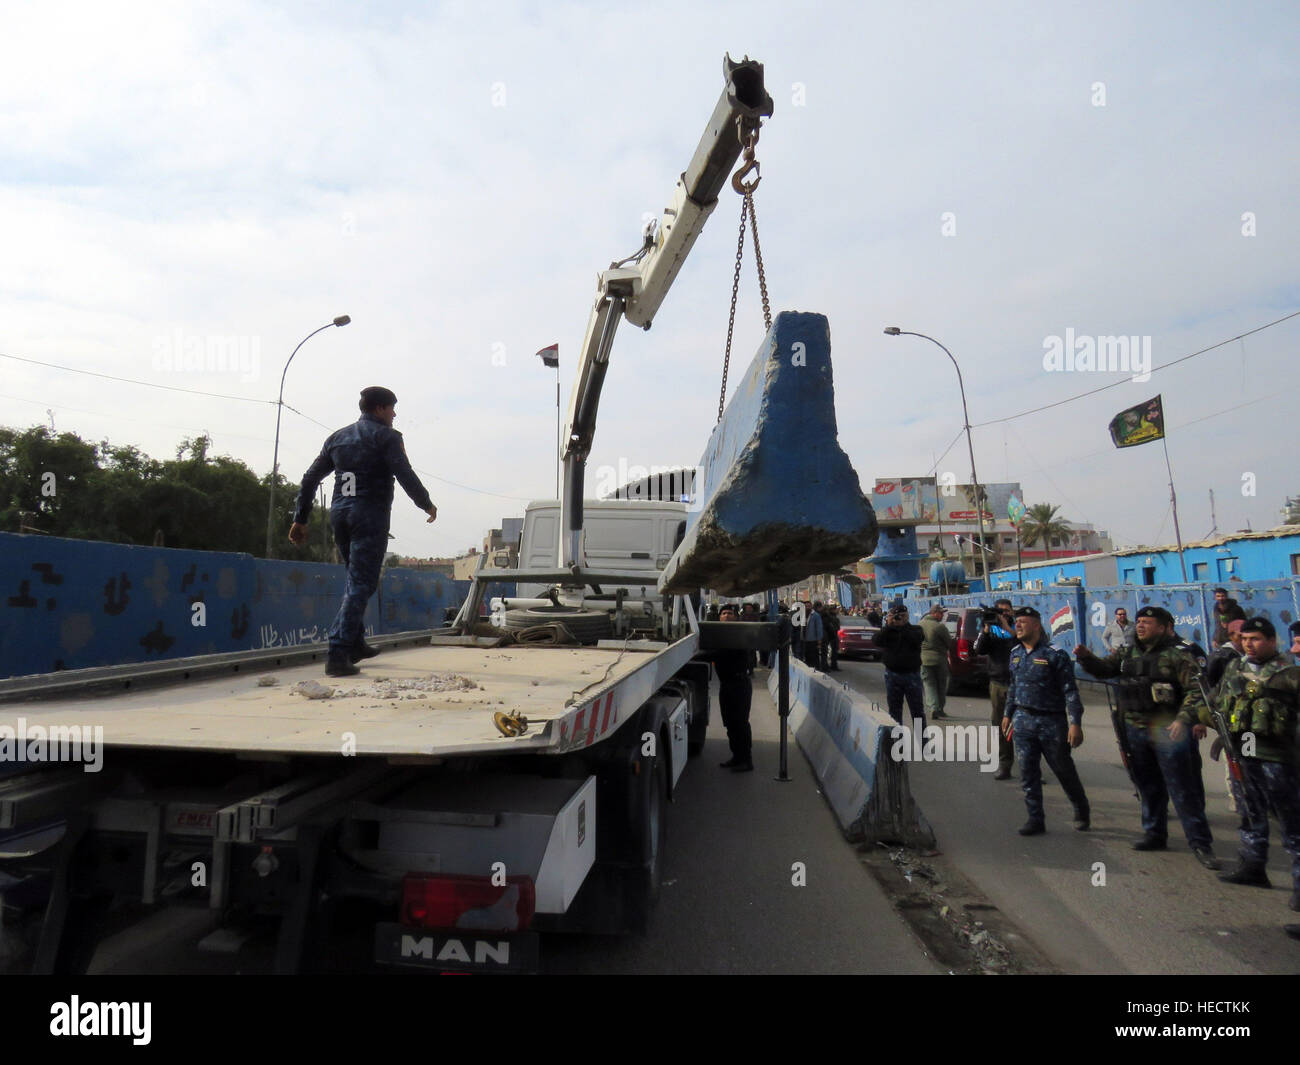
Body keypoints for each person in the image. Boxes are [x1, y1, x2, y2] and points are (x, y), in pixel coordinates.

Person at [290, 386, 436, 676]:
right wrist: (426, 503)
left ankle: (355, 643)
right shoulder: (387, 437)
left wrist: (300, 518)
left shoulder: (337, 438)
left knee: (355, 580)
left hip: (340, 515)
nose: (395, 414)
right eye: (392, 408)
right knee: (362, 583)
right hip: (369, 515)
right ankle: (338, 651)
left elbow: (310, 479)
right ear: (380, 409)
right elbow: (403, 472)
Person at [1075, 606, 1218, 868]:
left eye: (1148, 622)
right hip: (1135, 728)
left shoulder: (1178, 655)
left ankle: (1200, 843)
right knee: (1147, 785)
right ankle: (1154, 833)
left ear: (1163, 627)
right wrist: (1086, 657)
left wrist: (1183, 719)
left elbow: (1196, 691)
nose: (1140, 626)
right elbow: (1105, 670)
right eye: (1139, 621)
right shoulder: (1127, 652)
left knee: (1183, 788)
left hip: (1168, 731)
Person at [1205, 617, 1300, 908]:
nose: (1249, 644)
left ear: (1272, 641)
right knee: (1250, 810)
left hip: (1279, 756)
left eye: (1256, 639)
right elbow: (1218, 701)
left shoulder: (1289, 672)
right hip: (1245, 748)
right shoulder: (1237, 667)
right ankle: (1253, 866)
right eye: (1245, 639)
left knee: (1292, 824)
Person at [1003, 606, 1090, 835]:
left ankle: (1081, 808)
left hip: (1051, 722)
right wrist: (1007, 713)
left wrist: (1075, 723)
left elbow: (1070, 690)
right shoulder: (1015, 653)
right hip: (1023, 721)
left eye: (1022, 621)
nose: (1017, 625)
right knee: (1028, 772)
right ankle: (1035, 819)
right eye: (1016, 622)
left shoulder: (1055, 654)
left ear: (1036, 625)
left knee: (1063, 769)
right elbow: (1013, 686)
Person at [707, 604, 754, 772]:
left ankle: (746, 760)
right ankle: (737, 757)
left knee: (740, 723)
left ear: (736, 617)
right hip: (726, 684)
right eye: (723, 613)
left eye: (730, 613)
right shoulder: (719, 635)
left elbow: (720, 654)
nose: (726, 616)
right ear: (719, 617)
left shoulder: (738, 634)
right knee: (730, 724)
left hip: (739, 684)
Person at [974, 599, 1017, 779]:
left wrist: (1008, 627)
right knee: (1001, 726)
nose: (1003, 614)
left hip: (1020, 684)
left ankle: (1033, 767)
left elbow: (1026, 643)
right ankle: (1005, 765)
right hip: (999, 683)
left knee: (1026, 728)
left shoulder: (1020, 627)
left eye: (1006, 611)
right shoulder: (991, 630)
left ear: (1012, 612)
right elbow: (980, 650)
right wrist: (986, 630)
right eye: (1000, 611)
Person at [876, 605, 926, 731]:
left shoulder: (916, 629)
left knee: (917, 712)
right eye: (897, 616)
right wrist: (888, 625)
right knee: (894, 712)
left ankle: (923, 745)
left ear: (908, 616)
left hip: (911, 675)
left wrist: (903, 626)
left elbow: (916, 640)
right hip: (892, 675)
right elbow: (876, 641)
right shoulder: (888, 631)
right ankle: (897, 746)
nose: (899, 618)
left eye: (903, 615)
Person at [919, 603, 952, 721]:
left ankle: (933, 707)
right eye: (941, 613)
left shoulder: (919, 625)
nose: (943, 615)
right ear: (934, 613)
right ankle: (939, 709)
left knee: (929, 685)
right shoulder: (940, 627)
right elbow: (949, 643)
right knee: (941, 686)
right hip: (939, 659)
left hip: (924, 660)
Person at [804, 599, 824, 670]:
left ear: (811, 606)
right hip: (805, 640)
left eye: (808, 606)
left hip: (813, 640)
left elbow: (819, 628)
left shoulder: (816, 615)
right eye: (806, 606)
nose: (807, 608)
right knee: (807, 656)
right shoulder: (803, 615)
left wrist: (819, 640)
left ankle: (817, 669)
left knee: (814, 656)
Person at [824, 604, 841, 671]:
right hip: (831, 635)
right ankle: (831, 665)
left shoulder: (832, 616)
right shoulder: (831, 617)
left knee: (833, 651)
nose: (837, 610)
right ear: (833, 610)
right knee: (832, 651)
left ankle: (833, 665)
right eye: (836, 609)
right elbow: (833, 627)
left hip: (832, 635)